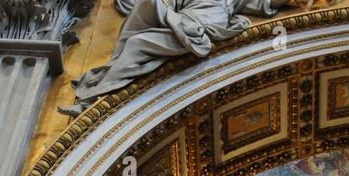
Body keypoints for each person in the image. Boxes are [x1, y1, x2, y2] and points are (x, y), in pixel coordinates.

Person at [61, 0, 284, 116]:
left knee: (136, 44)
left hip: (201, 26)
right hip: (181, 22)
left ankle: (92, 100)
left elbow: (267, 3)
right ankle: (93, 98)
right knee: (139, 36)